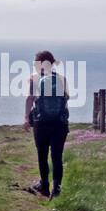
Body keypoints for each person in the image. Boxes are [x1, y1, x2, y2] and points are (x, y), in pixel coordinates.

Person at [23, 50, 70, 197]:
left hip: (41, 123)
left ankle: (44, 186)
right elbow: (66, 98)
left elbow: (30, 99)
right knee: (57, 156)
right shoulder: (62, 79)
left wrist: (26, 118)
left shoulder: (34, 79)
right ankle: (56, 189)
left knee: (42, 155)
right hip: (59, 124)